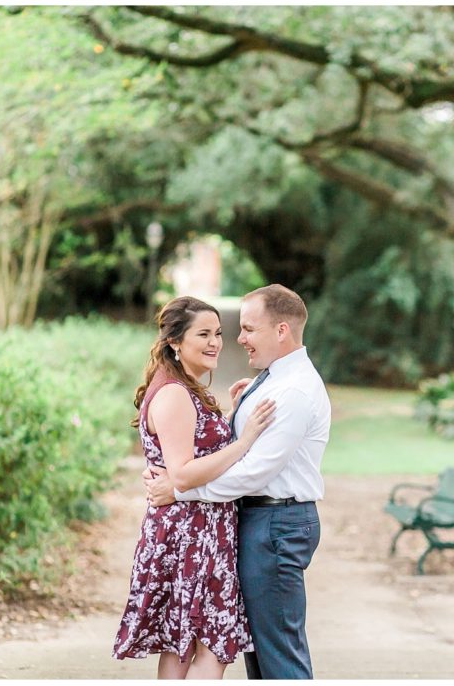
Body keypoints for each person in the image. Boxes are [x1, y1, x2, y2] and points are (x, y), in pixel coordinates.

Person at [145, 284, 331, 680]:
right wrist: (234, 417)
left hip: (276, 525)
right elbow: (226, 450)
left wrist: (180, 490)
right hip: (257, 523)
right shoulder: (271, 379)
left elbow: (254, 471)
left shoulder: (293, 389)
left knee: (278, 652)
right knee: (259, 652)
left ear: (281, 330)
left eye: (247, 328)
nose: (237, 339)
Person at [113, 296, 278, 679]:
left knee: (182, 644)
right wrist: (245, 440)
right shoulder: (174, 394)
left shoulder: (181, 387)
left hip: (195, 528)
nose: (215, 342)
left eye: (218, 333)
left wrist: (233, 414)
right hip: (192, 534)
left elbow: (187, 460)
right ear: (175, 341)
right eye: (203, 334)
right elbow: (184, 474)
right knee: (210, 647)